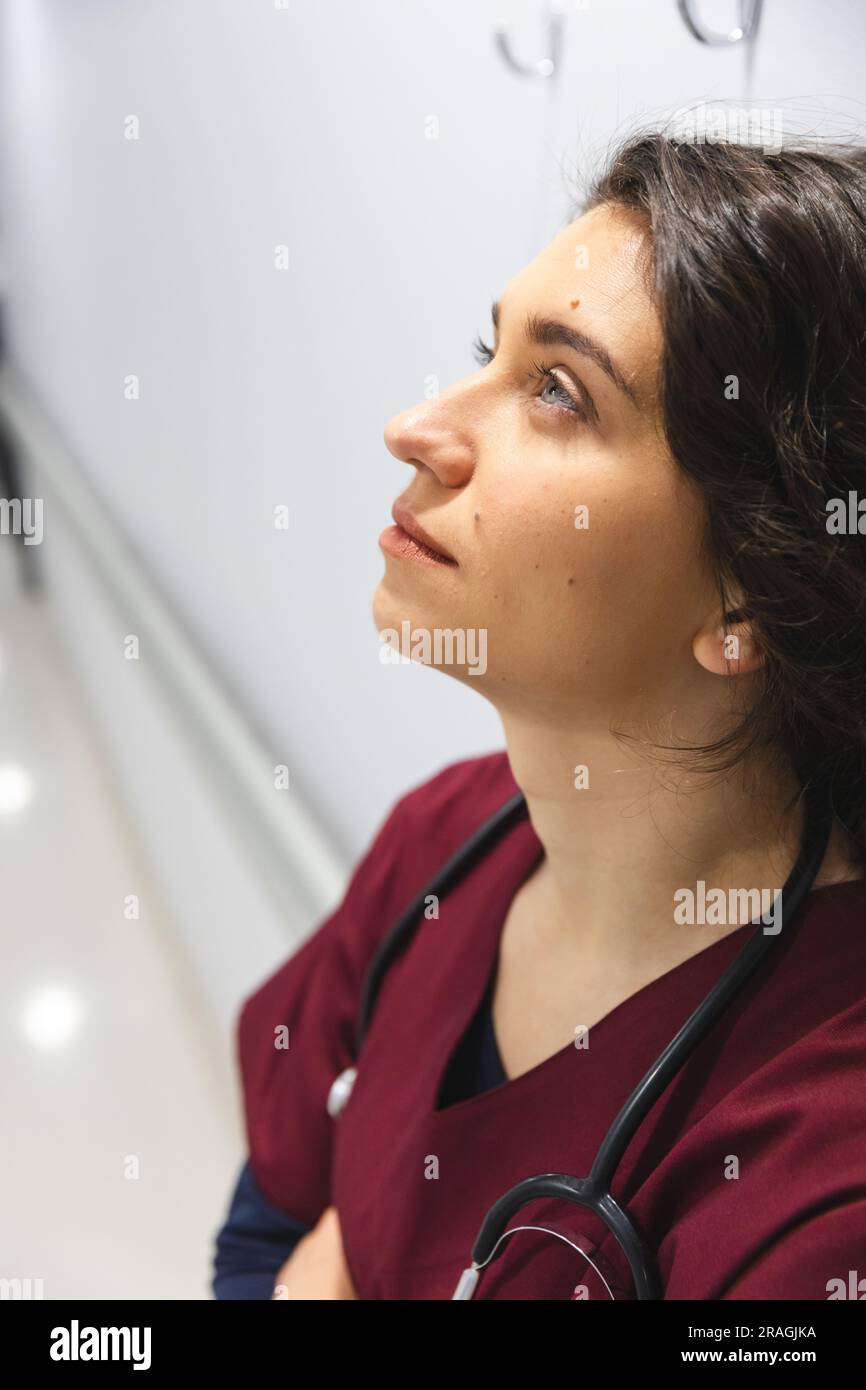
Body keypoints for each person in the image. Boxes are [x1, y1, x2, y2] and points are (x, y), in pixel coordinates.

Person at [212, 131, 866, 1300]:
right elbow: (265, 1224)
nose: (418, 429)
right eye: (487, 349)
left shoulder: (821, 1178)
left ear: (748, 592)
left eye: (554, 391)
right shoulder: (445, 840)